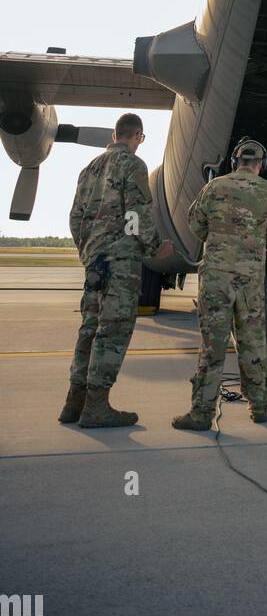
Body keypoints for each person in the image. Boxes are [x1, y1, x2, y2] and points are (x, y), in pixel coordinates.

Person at [172, 138, 267, 431]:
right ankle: (260, 407)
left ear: (234, 162)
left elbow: (196, 223)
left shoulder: (214, 187)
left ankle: (201, 414)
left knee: (212, 346)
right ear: (261, 164)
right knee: (252, 343)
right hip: (249, 280)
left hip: (216, 278)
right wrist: (257, 236)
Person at [61, 112, 171, 427]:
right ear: (138, 136)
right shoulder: (133, 165)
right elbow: (136, 214)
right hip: (121, 264)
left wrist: (88, 251)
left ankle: (73, 403)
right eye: (140, 138)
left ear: (113, 134)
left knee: (89, 329)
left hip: (94, 262)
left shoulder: (89, 168)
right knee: (112, 331)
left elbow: (75, 217)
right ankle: (96, 408)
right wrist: (155, 248)